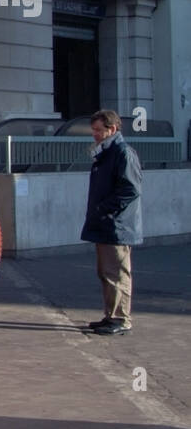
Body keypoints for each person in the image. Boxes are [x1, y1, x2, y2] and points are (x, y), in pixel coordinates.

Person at [80, 109, 142, 335]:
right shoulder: (109, 153)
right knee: (107, 272)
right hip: (107, 223)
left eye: (98, 130)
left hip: (117, 225)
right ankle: (111, 315)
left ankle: (120, 318)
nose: (94, 134)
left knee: (117, 272)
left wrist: (104, 209)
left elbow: (131, 189)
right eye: (93, 130)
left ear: (112, 129)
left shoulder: (122, 153)